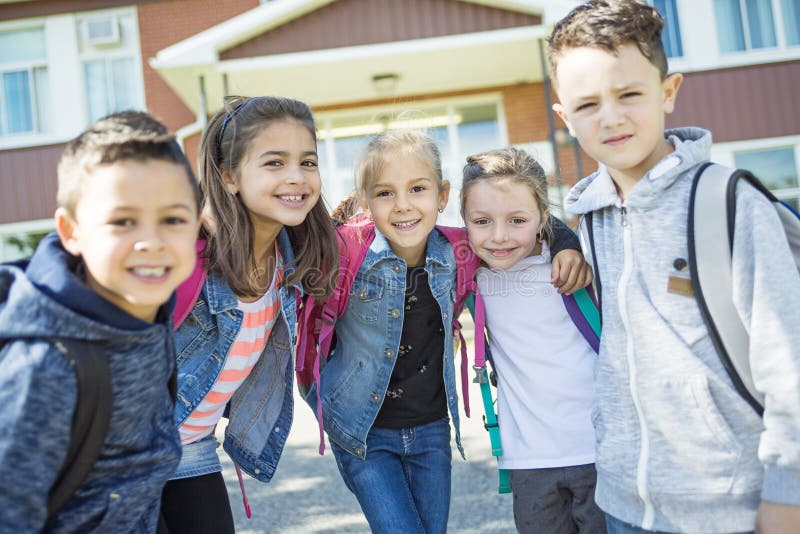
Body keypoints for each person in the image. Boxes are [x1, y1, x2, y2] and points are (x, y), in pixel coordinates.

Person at [548, 1, 800, 532]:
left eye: (630, 94)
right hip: (621, 505)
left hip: (731, 508)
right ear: (565, 119)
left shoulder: (729, 203)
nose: (611, 117)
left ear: (668, 92)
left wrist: (789, 494)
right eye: (588, 104)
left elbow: (789, 363)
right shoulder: (589, 217)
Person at [308, 129, 590, 534]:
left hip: (430, 431)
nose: (403, 205)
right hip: (362, 431)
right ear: (368, 201)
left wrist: (566, 242)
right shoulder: (347, 252)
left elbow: (525, 216)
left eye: (417, 189)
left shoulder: (461, 254)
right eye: (385, 193)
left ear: (441, 196)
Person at [0, 111, 201, 531]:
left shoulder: (147, 315)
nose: (151, 241)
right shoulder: (47, 367)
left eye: (173, 219)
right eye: (122, 221)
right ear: (71, 231)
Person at [158, 96, 339, 534]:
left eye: (308, 162)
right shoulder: (187, 257)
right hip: (119, 458)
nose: (297, 177)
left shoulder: (289, 262)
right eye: (274, 163)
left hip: (192, 450)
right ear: (229, 177)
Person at [461, 147, 604, 534]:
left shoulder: (578, 264)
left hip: (602, 450)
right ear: (464, 220)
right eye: (482, 221)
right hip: (529, 460)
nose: (499, 236)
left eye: (517, 220)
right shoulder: (471, 274)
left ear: (543, 217)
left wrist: (566, 242)